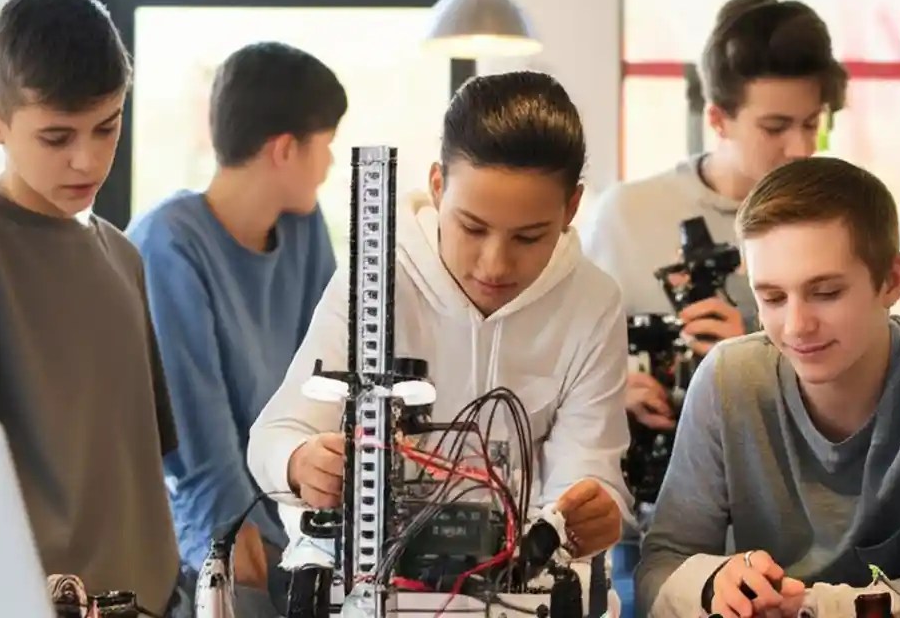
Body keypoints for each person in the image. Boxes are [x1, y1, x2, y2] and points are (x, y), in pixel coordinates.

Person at [248, 70, 632, 562]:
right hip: (371, 579)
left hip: (514, 583)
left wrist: (593, 510)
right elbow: (274, 436)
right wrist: (300, 463)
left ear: (572, 207)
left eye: (529, 237)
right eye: (472, 227)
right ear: (436, 186)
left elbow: (589, 472)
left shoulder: (592, 303)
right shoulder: (374, 282)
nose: (494, 264)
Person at [636, 157, 900, 618]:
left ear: (891, 281)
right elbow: (659, 566)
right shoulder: (729, 378)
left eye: (826, 293)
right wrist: (710, 585)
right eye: (773, 298)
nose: (797, 326)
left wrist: (803, 607)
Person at [583, 0, 849, 613]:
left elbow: (862, 380)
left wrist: (758, 349)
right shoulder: (626, 216)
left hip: (786, 525)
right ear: (719, 118)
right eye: (776, 127)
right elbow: (566, 362)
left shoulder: (835, 219)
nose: (800, 148)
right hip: (643, 522)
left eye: (813, 123)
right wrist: (612, 385)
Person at [0, 0, 183, 615]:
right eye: (56, 137)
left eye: (106, 128)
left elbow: (141, 469)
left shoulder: (123, 256)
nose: (87, 160)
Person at [128, 41, 345, 612]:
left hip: (301, 520)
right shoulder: (168, 244)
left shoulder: (301, 228)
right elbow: (198, 446)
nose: (329, 164)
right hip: (215, 546)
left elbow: (329, 374)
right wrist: (234, 551)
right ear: (284, 150)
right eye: (326, 144)